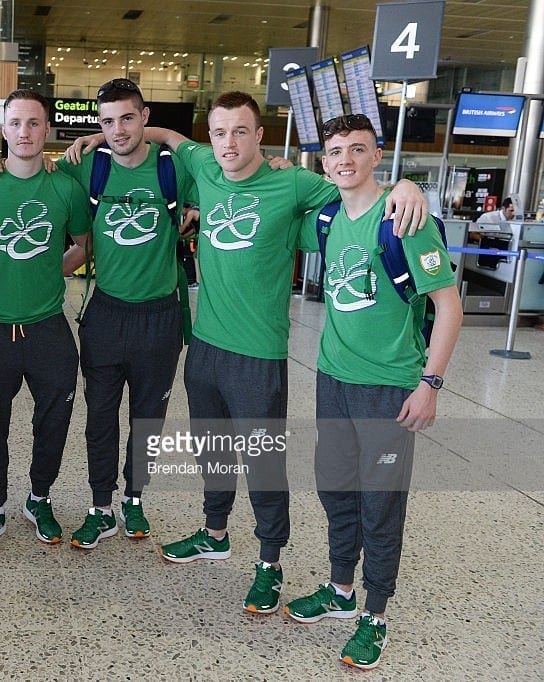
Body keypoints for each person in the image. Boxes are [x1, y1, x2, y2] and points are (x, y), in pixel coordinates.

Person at [66, 91, 427, 614]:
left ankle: (269, 562)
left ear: (259, 136)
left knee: (262, 465)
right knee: (211, 449)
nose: (229, 142)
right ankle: (215, 533)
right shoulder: (202, 164)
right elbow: (164, 136)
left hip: (258, 356)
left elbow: (356, 191)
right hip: (204, 345)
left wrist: (407, 186)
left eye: (240, 131)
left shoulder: (293, 182)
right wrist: (98, 136)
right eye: (219, 132)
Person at [0, 78, 196, 549]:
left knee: (147, 420)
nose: (118, 130)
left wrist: (271, 162)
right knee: (100, 416)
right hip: (106, 315)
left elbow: (221, 163)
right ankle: (100, 506)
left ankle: (132, 499)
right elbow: (33, 175)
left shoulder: (177, 171)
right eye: (107, 122)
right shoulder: (85, 168)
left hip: (160, 316)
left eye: (127, 118)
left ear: (145, 117)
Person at [284, 112, 462, 670]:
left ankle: (375, 612)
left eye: (356, 150)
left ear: (376, 155)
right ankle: (340, 590)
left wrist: (430, 385)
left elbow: (449, 306)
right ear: (324, 161)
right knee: (336, 489)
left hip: (388, 389)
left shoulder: (406, 221)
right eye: (334, 152)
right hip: (333, 380)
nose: (344, 161)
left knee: (380, 503)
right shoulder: (329, 215)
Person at [0, 89, 91, 553]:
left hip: (49, 328)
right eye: (15, 123)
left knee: (54, 420)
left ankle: (39, 497)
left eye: (33, 123)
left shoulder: (65, 187)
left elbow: (84, 245)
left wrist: (51, 271)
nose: (24, 132)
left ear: (45, 129)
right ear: (3, 129)